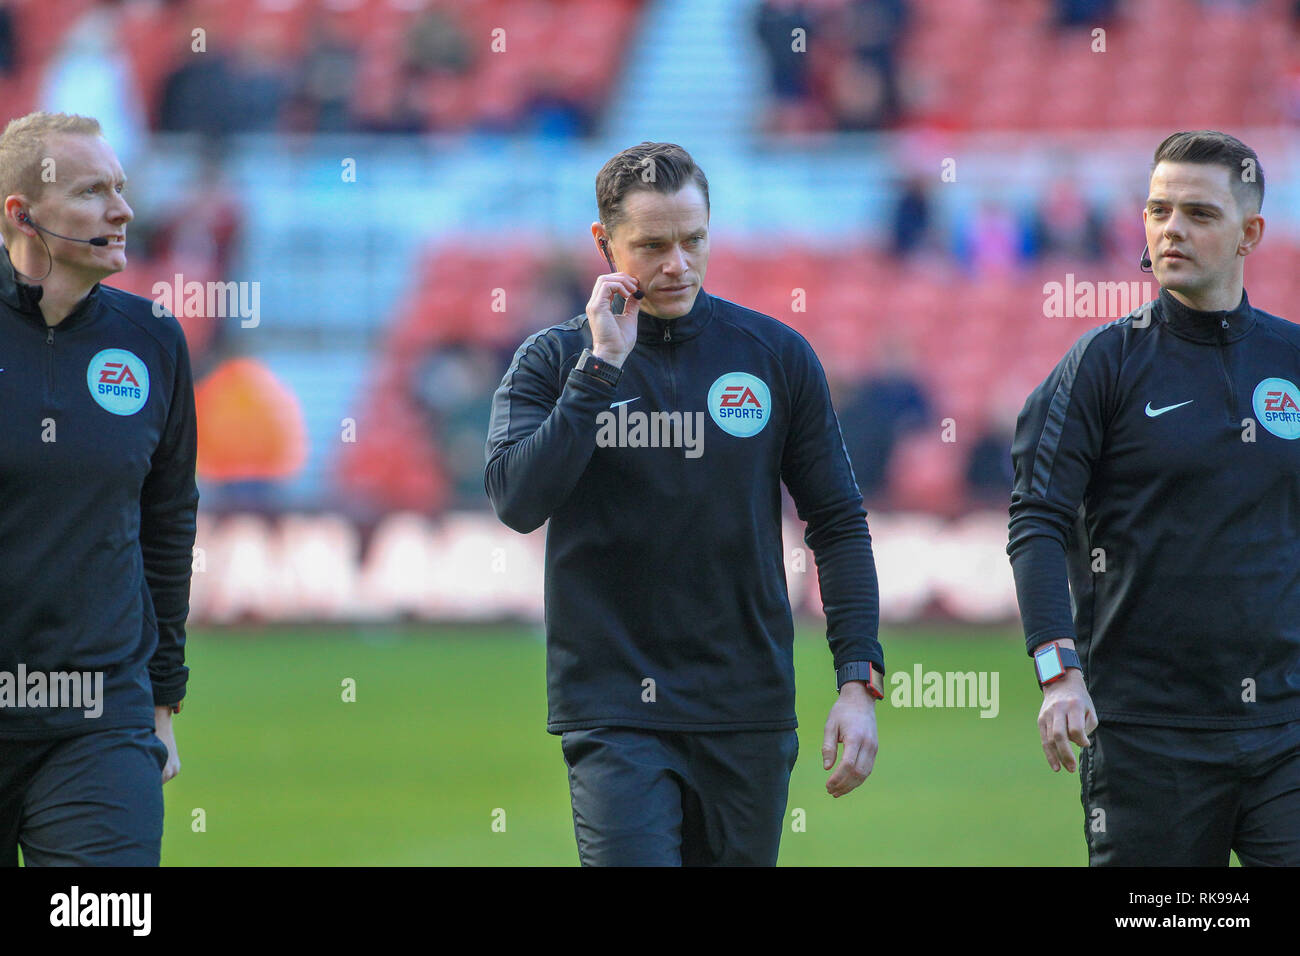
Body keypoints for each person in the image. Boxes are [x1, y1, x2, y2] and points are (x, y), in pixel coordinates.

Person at [485, 142, 885, 866]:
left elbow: (838, 522)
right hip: (612, 710)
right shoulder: (552, 360)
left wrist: (858, 678)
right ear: (604, 244)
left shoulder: (775, 356)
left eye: (693, 240)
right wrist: (601, 367)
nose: (678, 264)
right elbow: (516, 499)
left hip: (747, 707)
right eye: (653, 245)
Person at [1008, 130, 1300, 866]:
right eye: (1158, 209)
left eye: (1199, 214)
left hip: (1289, 727)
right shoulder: (1101, 366)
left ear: (1250, 234)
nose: (1172, 229)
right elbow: (1036, 521)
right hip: (1146, 733)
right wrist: (1059, 671)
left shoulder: (1292, 361)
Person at [0, 112, 198, 866]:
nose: (123, 210)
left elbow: (168, 522)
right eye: (92, 192)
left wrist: (161, 698)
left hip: (98, 718)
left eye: (121, 188)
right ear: (23, 215)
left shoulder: (152, 339)